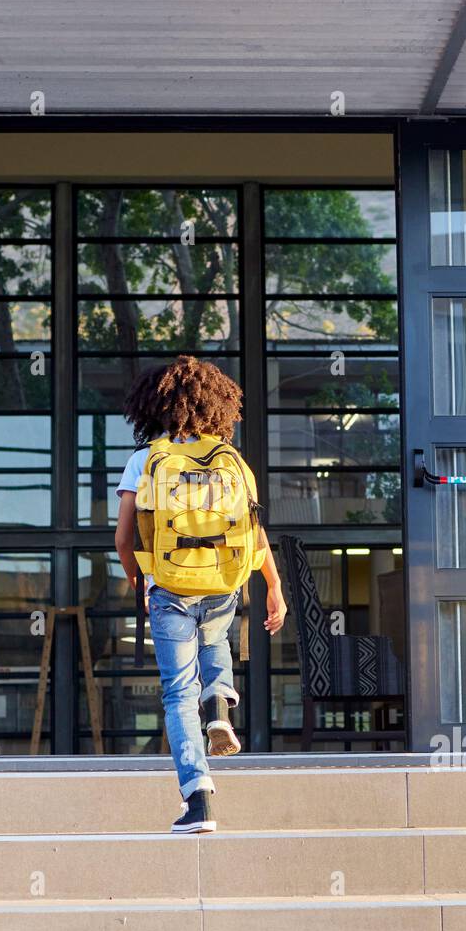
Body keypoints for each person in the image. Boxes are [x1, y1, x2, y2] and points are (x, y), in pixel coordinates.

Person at [113, 355, 287, 834]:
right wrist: (274, 585)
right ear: (217, 406)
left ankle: (199, 801)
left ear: (154, 407)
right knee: (216, 642)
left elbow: (123, 539)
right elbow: (255, 533)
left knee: (175, 695)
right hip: (221, 584)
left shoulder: (146, 459)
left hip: (169, 587)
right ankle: (220, 704)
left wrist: (138, 580)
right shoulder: (231, 460)